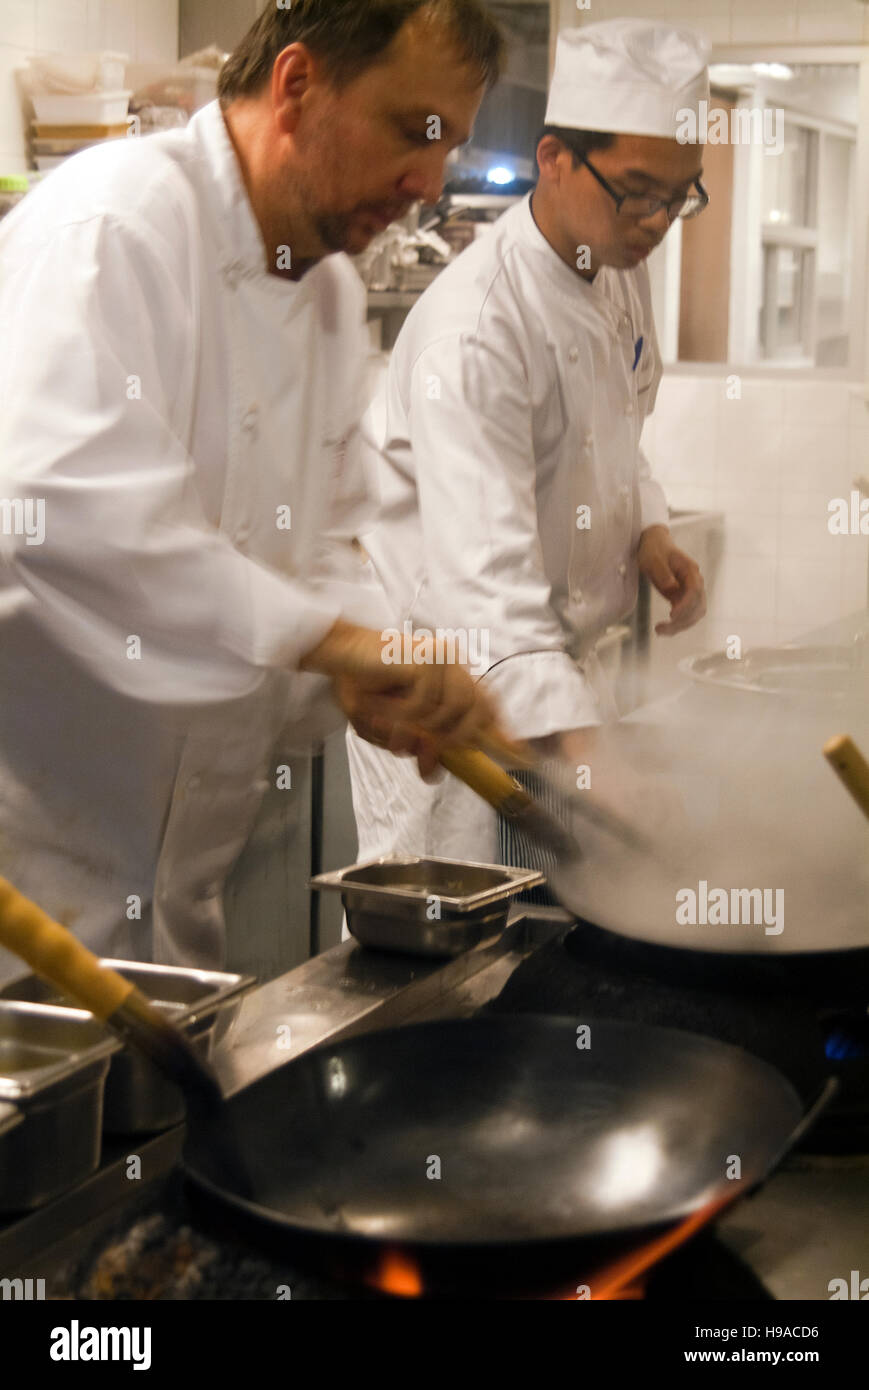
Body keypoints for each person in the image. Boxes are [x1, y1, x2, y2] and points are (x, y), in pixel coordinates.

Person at [0, 0, 510, 983]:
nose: (427, 183)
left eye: (448, 147)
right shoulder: (118, 222)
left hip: (171, 917)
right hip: (23, 900)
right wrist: (332, 640)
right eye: (415, 132)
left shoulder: (323, 291)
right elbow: (55, 513)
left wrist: (372, 665)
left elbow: (316, 543)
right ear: (295, 86)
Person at [347, 19, 710, 871]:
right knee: (456, 946)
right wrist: (595, 761)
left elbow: (619, 425)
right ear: (553, 160)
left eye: (680, 195)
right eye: (637, 191)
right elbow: (487, 594)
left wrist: (647, 526)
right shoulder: (474, 333)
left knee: (553, 927)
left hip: (552, 678)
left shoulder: (616, 261)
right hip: (453, 699)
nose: (657, 221)